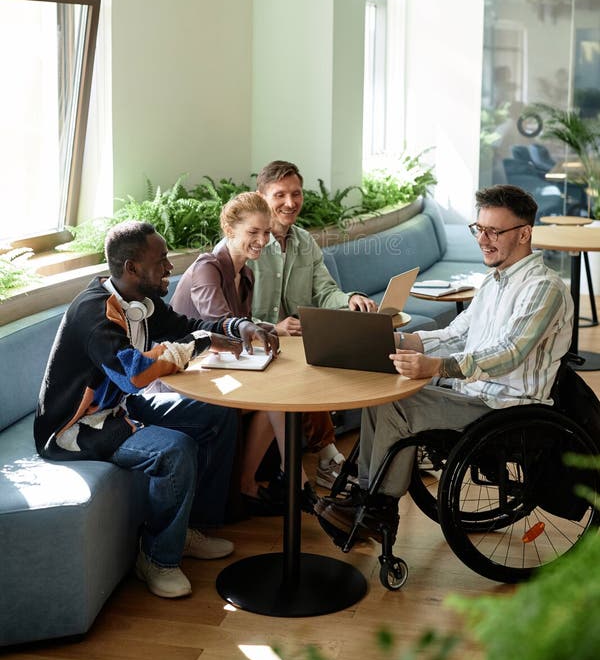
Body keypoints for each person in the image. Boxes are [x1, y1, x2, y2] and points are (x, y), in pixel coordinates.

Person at [314, 184, 574, 542]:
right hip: (475, 395)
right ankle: (364, 496)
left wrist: (436, 367)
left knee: (398, 406)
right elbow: (456, 334)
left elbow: (510, 353)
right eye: (479, 229)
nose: (483, 240)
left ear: (525, 233)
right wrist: (400, 341)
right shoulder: (494, 281)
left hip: (507, 408)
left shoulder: (543, 288)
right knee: (385, 389)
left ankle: (378, 509)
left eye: (494, 231)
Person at [34, 220, 277, 600]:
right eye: (161, 260)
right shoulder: (95, 314)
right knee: (174, 448)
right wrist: (198, 345)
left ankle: (187, 531)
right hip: (77, 427)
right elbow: (136, 374)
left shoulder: (140, 302)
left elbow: (186, 326)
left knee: (217, 414)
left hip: (118, 406)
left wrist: (237, 326)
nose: (169, 267)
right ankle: (156, 559)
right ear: (132, 268)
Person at [171, 191, 315, 515]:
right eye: (254, 232)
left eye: (266, 232)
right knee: (274, 390)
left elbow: (242, 325)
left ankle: (261, 484)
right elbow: (220, 324)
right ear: (230, 230)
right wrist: (266, 329)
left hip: (216, 365)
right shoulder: (207, 267)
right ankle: (296, 483)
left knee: (278, 393)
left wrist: (268, 328)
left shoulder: (245, 275)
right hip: (187, 375)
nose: (262, 240)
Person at [251, 160, 379, 490]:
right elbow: (229, 313)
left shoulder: (304, 241)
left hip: (295, 342)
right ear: (261, 197)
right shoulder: (248, 244)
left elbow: (324, 290)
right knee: (309, 368)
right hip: (257, 345)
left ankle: (351, 454)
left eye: (296, 194)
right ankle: (327, 457)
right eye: (280, 195)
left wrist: (349, 299)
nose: (290, 203)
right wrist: (272, 326)